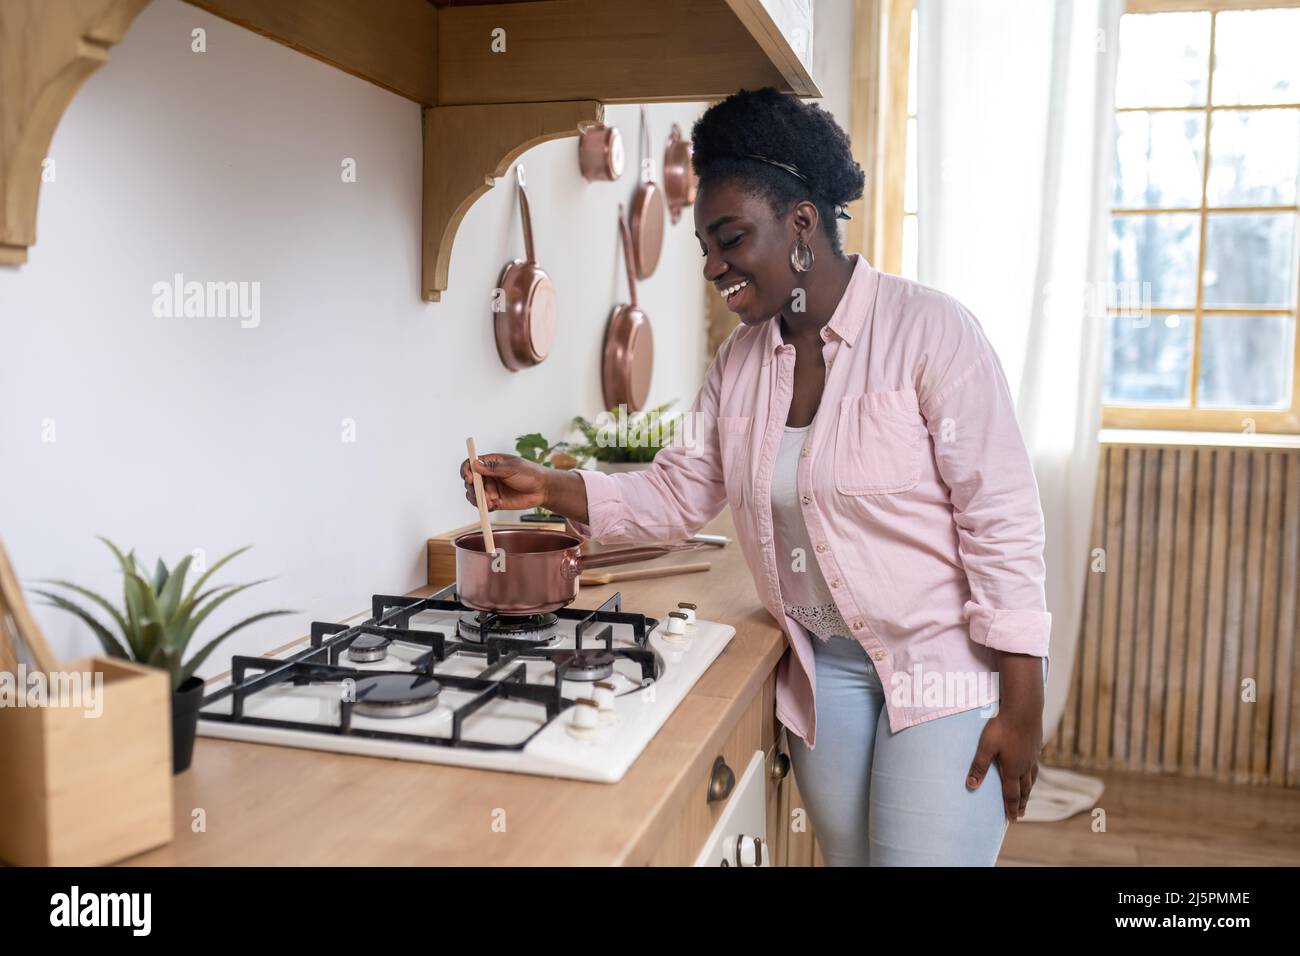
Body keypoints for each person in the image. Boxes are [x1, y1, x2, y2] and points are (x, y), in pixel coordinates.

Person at [460, 87, 1050, 866]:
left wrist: (1024, 703)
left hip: (943, 668)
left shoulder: (931, 332)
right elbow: (676, 492)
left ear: (802, 223)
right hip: (824, 671)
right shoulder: (740, 363)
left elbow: (1001, 518)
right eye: (705, 245)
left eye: (730, 238)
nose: (713, 266)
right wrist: (548, 486)